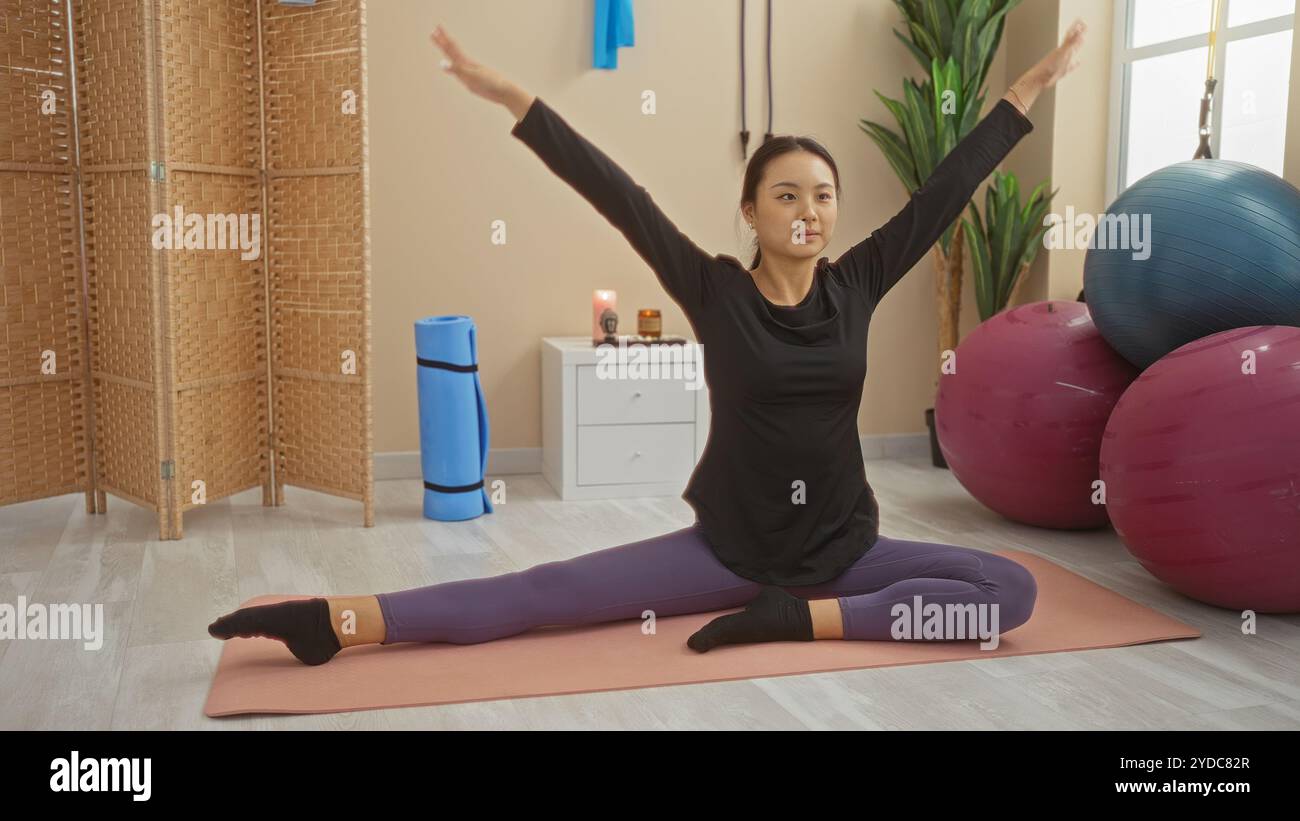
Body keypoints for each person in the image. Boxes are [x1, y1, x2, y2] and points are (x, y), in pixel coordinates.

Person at [210, 20, 1087, 665]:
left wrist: (1027, 92)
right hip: (730, 547)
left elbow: (942, 194)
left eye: (822, 195)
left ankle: (798, 619)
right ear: (751, 211)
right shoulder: (714, 289)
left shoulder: (857, 282)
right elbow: (620, 194)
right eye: (786, 195)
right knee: (544, 594)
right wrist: (520, 101)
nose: (809, 211)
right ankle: (339, 620)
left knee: (1008, 591)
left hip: (845, 552)